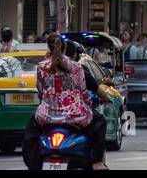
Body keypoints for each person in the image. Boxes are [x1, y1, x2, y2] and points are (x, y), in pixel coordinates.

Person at [26, 33, 107, 169]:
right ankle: (97, 162)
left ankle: (32, 164)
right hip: (75, 114)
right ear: (64, 48)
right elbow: (82, 91)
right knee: (100, 121)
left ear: (49, 48)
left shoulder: (41, 67)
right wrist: (89, 104)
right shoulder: (76, 67)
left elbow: (40, 90)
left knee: (29, 131)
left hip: (46, 115)